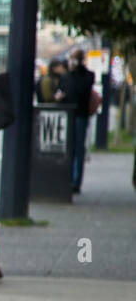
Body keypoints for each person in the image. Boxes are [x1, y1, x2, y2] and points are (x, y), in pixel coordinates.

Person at [58, 47, 95, 193]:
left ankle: (75, 181)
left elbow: (81, 91)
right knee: (70, 148)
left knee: (78, 148)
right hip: (68, 115)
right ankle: (69, 179)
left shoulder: (86, 76)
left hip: (80, 115)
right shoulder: (67, 76)